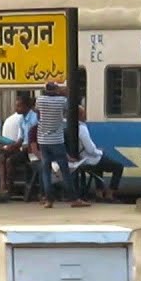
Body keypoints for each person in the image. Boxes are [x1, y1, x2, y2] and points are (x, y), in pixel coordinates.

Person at [35, 81, 89, 209]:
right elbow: (69, 110)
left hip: (42, 139)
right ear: (56, 90)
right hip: (57, 140)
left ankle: (49, 200)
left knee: (46, 171)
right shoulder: (62, 101)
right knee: (65, 170)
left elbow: (38, 115)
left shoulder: (40, 100)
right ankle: (74, 199)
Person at [72, 105, 124, 201]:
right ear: (81, 115)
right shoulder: (82, 128)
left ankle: (99, 193)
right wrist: (99, 152)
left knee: (98, 166)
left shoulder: (72, 127)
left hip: (81, 159)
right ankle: (110, 193)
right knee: (118, 166)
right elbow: (90, 149)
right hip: (88, 159)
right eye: (84, 113)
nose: (86, 115)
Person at [0, 94, 37, 194]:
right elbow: (20, 139)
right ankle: (2, 186)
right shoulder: (21, 120)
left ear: (26, 106)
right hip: (23, 148)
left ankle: (10, 189)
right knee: (1, 157)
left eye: (19, 106)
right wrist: (10, 147)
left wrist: (20, 146)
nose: (16, 108)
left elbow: (33, 140)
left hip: (31, 150)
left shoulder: (34, 118)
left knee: (10, 161)